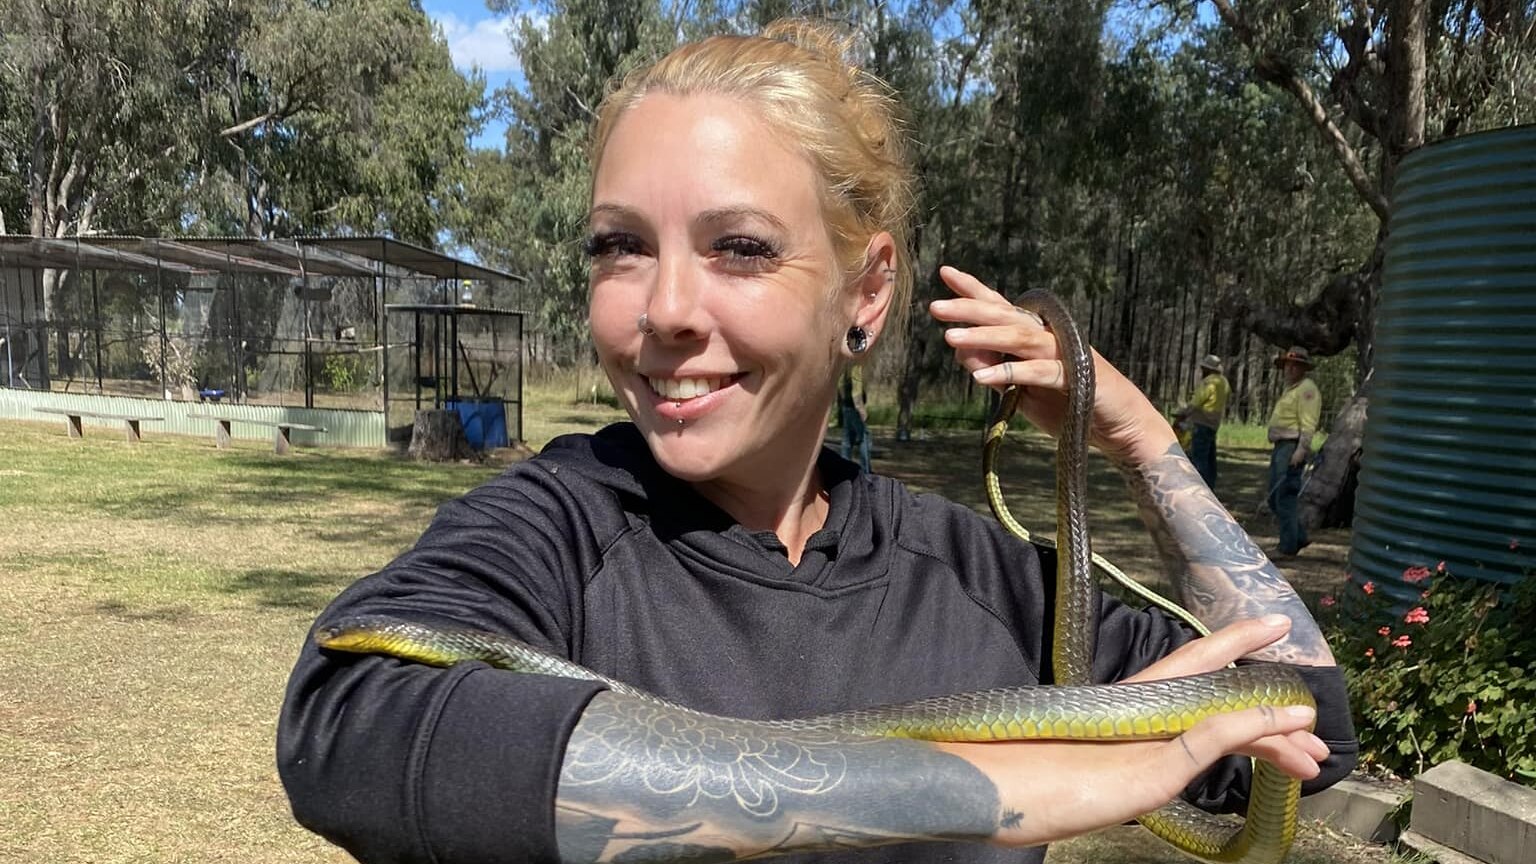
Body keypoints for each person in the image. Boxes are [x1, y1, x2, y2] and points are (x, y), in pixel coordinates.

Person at [278, 22, 1356, 864]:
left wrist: (1139, 442)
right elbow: (354, 728)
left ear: (868, 288)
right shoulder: (559, 526)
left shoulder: (981, 581)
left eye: (737, 248)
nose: (664, 309)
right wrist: (982, 787)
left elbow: (1305, 725)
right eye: (620, 247)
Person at [1266, 346, 1321, 559]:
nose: (1289, 369)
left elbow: (1308, 424)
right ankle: (1298, 536)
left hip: (1291, 445)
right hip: (1281, 446)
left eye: (1294, 365)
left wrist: (1301, 450)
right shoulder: (1292, 389)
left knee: (1284, 495)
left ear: (1302, 368)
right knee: (1275, 497)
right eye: (1287, 365)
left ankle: (1287, 547)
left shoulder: (1307, 390)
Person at [1173, 354, 1231, 489]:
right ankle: (1210, 485)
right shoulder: (1224, 382)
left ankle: (1199, 487)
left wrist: (1183, 414)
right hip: (1214, 424)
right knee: (1210, 458)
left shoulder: (1208, 383)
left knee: (1199, 457)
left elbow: (1196, 403)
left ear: (1206, 368)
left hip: (1201, 422)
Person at [837, 362, 871, 471]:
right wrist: (860, 408)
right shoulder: (856, 366)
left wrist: (844, 400)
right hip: (854, 408)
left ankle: (844, 467)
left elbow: (840, 387)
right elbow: (856, 390)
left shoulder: (844, 368)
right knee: (864, 437)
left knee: (847, 440)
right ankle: (866, 470)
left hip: (846, 407)